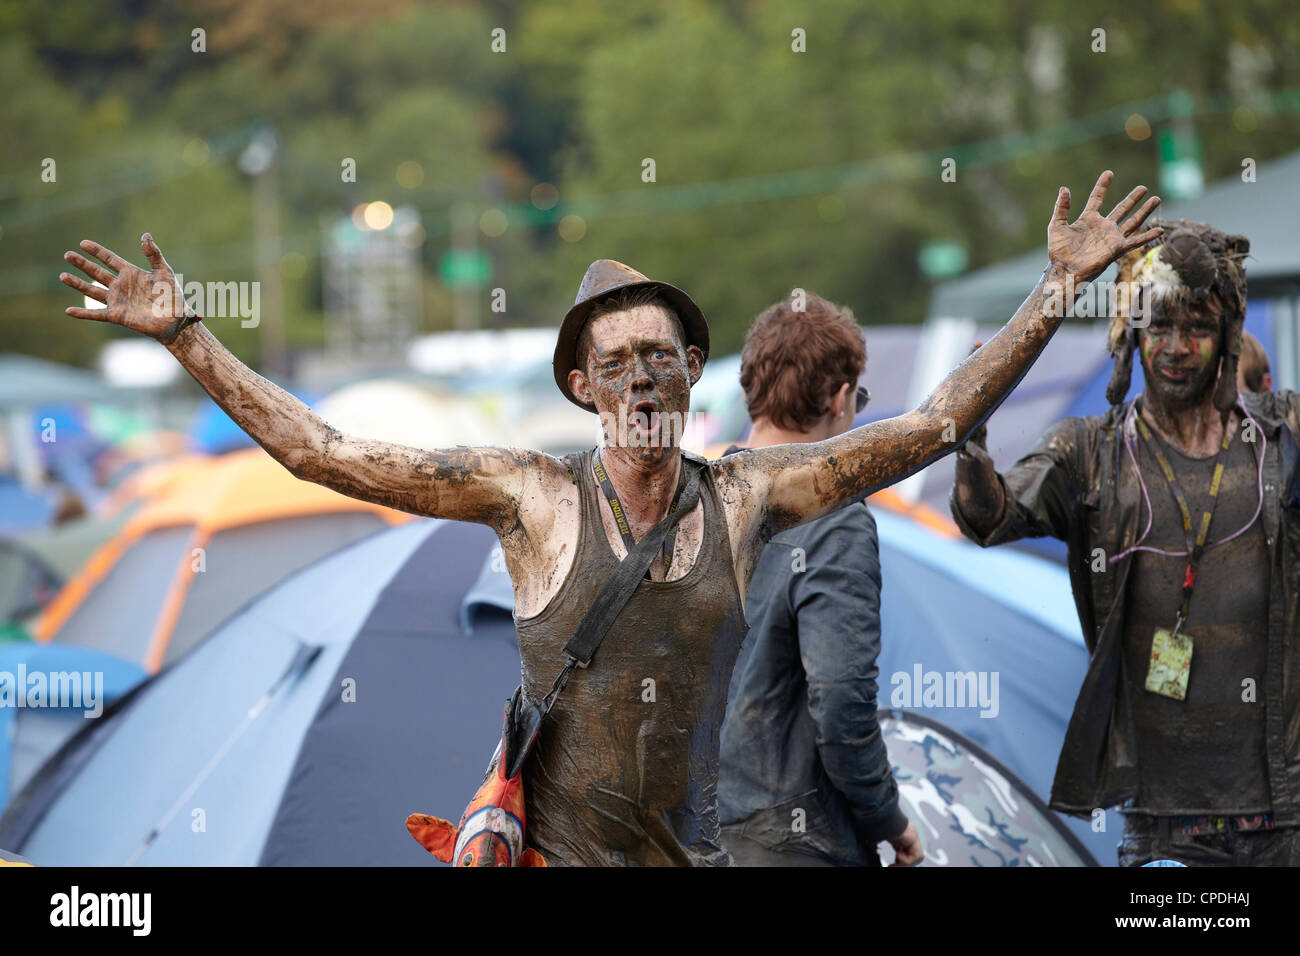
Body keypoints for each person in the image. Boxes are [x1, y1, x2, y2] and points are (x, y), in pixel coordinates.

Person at [58, 170, 1157, 866]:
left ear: (691, 375)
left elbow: (931, 422)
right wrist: (188, 336)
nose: (641, 381)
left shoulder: (749, 497)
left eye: (660, 359)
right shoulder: (528, 496)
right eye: (616, 363)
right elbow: (320, 451)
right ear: (582, 386)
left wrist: (1055, 290)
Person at [951, 218, 1300, 866]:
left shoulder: (1280, 441)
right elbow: (987, 516)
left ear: (1227, 336)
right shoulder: (1089, 452)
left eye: (1196, 327)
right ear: (1131, 332)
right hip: (1161, 828)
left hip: (1287, 815)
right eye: (1158, 325)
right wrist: (969, 439)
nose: (1175, 346)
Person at [717, 292, 922, 867]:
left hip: (684, 836)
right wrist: (888, 818)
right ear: (838, 399)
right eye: (858, 396)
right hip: (791, 842)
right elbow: (840, 704)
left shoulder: (693, 504)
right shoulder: (835, 522)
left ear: (751, 391)